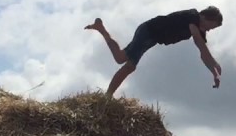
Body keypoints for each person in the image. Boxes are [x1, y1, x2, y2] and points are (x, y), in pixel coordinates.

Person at [85, 6, 224, 97]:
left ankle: (101, 29)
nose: (210, 30)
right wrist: (214, 66)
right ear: (205, 17)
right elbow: (200, 44)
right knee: (130, 66)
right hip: (148, 30)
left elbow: (202, 51)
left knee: (120, 58)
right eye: (211, 26)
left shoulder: (199, 29)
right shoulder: (193, 16)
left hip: (152, 37)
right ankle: (107, 96)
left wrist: (214, 70)